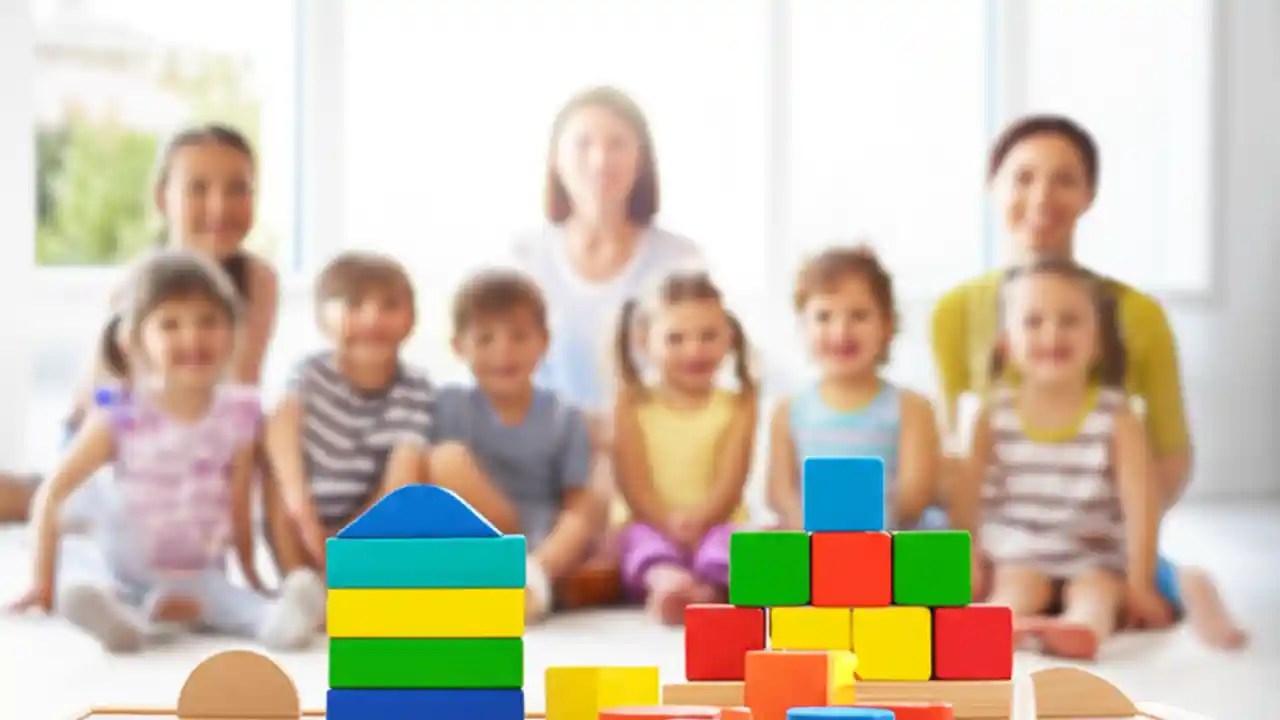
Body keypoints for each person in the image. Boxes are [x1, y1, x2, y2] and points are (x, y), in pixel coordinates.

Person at [932, 114, 1246, 649]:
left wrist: (1123, 546)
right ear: (994, 187)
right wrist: (979, 547)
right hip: (1009, 532)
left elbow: (1168, 454)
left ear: (1090, 195)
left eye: (1065, 179)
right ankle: (1010, 619)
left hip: (1099, 534)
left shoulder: (1136, 315)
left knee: (1119, 586)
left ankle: (1178, 584)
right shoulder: (955, 311)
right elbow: (956, 455)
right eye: (1023, 176)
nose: (1041, 196)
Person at [7, 249, 323, 653]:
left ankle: (279, 619)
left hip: (200, 572)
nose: (192, 337)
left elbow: (240, 506)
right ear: (133, 340)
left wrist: (251, 575)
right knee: (93, 570)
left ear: (233, 332)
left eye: (208, 321)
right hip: (125, 571)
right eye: (170, 324)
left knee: (237, 605)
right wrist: (41, 582)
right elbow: (53, 492)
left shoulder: (238, 413)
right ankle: (122, 621)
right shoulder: (118, 410)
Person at [0, 124, 279, 523]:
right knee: (60, 501)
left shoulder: (257, 280)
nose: (220, 206)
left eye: (238, 189)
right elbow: (103, 396)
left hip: (196, 434)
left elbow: (241, 387)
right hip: (114, 431)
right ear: (163, 199)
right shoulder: (140, 282)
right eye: (198, 189)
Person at [956, 260, 1170, 660]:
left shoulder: (1117, 418)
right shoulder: (993, 414)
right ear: (1007, 343)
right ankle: (1002, 626)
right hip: (1017, 551)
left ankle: (1081, 628)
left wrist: (1141, 584)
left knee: (1099, 593)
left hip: (1093, 552)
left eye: (1070, 320)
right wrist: (969, 558)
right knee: (1015, 590)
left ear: (1098, 341)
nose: (1052, 333)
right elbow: (965, 498)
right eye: (1033, 322)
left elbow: (1141, 505)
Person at [263, 252, 507, 576]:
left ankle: (357, 570)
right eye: (354, 306)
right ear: (322, 319)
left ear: (412, 318)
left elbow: (398, 479)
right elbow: (281, 425)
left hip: (364, 527)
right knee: (273, 460)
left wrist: (347, 542)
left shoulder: (416, 387)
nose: (373, 318)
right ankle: (299, 580)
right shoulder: (310, 374)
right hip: (304, 518)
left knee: (411, 461)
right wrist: (301, 510)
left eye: (390, 306)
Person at [510, 86, 706, 416]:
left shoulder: (680, 262)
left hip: (648, 449)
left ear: (640, 160)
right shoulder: (523, 259)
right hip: (545, 449)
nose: (600, 161)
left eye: (617, 144)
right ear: (556, 158)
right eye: (583, 144)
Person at [431, 270, 600, 622]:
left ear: (544, 341)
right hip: (473, 542)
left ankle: (530, 581)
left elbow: (577, 508)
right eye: (485, 339)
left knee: (589, 511)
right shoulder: (447, 406)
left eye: (519, 337)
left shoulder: (562, 416)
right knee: (444, 459)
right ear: (458, 346)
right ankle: (493, 579)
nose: (503, 352)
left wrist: (544, 560)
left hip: (541, 542)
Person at [611, 270, 757, 625]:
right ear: (645, 342)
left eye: (709, 336)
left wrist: (703, 519)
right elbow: (633, 481)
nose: (694, 349)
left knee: (734, 542)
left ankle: (710, 589)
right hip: (649, 520)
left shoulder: (739, 404)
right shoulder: (631, 403)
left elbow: (731, 479)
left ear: (730, 337)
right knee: (636, 541)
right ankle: (667, 582)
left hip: (717, 521)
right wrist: (666, 521)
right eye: (675, 338)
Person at [767, 245, 940, 530]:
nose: (841, 332)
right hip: (812, 535)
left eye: (859, 316)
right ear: (803, 327)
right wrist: (811, 524)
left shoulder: (912, 407)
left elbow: (915, 495)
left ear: (887, 325)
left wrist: (856, 516)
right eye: (824, 317)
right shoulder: (788, 410)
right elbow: (780, 493)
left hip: (888, 538)